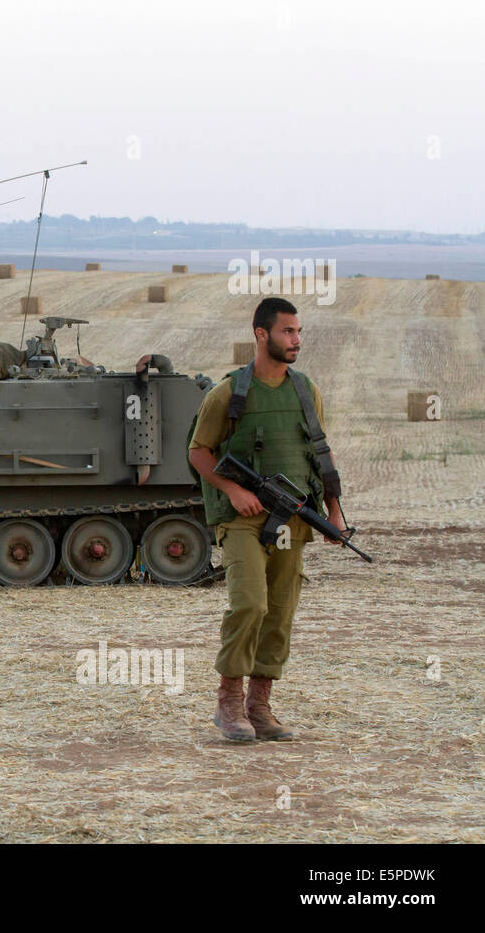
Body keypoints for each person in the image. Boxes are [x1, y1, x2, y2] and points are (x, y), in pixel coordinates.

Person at [188, 297, 347, 742]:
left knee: (279, 611)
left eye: (298, 332)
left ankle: (260, 706)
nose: (296, 340)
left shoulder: (304, 389)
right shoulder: (229, 393)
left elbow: (320, 451)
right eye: (287, 332)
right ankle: (229, 702)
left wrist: (332, 512)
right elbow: (199, 451)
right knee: (250, 603)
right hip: (242, 519)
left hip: (291, 519)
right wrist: (234, 491)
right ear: (262, 334)